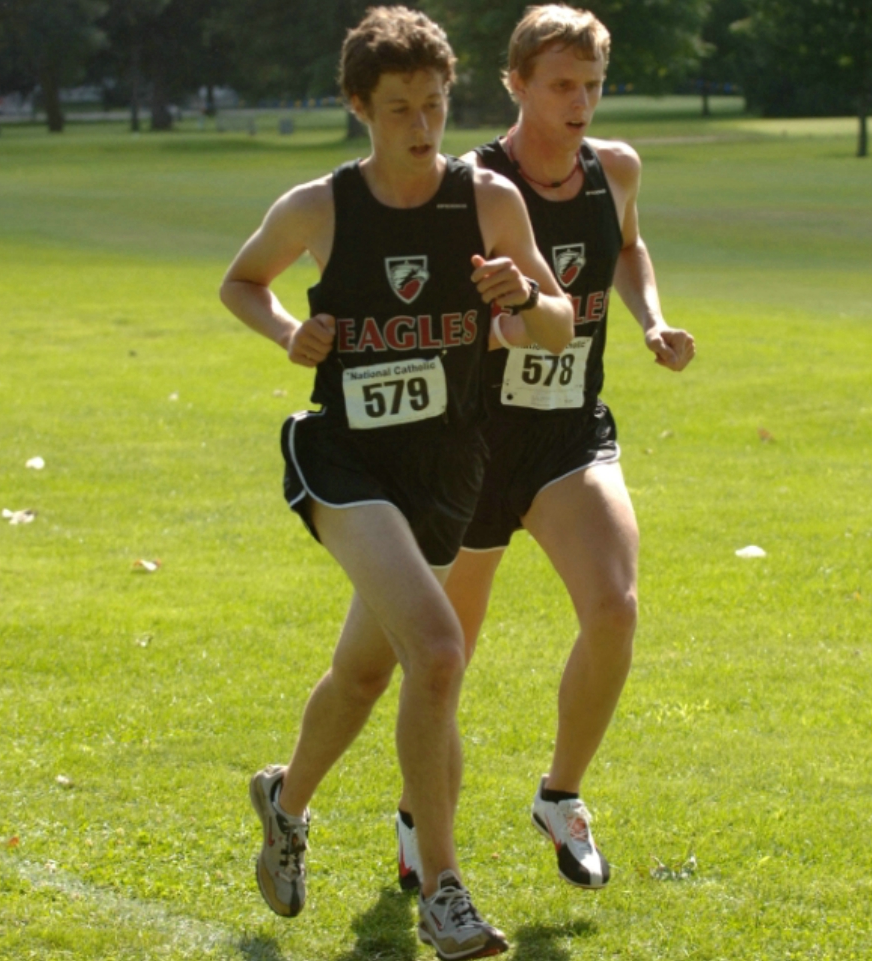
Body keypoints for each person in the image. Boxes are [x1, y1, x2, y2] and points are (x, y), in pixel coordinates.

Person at [218, 8, 573, 959]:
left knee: (369, 671)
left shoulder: (489, 201)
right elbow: (242, 283)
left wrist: (524, 297)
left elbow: (558, 328)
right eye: (399, 109)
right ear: (358, 108)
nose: (422, 127)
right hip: (347, 463)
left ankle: (284, 801)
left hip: (446, 468)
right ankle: (444, 888)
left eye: (436, 104)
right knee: (440, 648)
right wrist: (290, 330)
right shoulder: (320, 207)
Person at [394, 4, 696, 894]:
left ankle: (560, 795)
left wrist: (652, 318)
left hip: (569, 432)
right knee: (447, 654)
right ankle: (419, 821)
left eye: (594, 86)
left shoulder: (616, 168)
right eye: (562, 85)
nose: (582, 104)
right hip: (472, 444)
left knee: (615, 606)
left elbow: (629, 251)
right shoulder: (472, 185)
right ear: (516, 82)